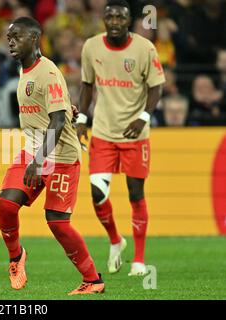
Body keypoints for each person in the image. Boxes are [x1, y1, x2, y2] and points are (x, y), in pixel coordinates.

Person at [0, 16, 104, 295]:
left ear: (34, 39)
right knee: (6, 205)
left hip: (61, 156)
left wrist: (38, 161)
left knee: (57, 222)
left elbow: (57, 121)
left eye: (17, 36)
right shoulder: (25, 69)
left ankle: (92, 280)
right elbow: (60, 109)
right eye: (9, 37)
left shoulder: (46, 72)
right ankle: (16, 257)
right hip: (35, 147)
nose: (11, 41)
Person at [75, 0, 165, 276]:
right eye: (110, 16)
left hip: (135, 136)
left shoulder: (144, 48)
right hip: (103, 132)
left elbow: (156, 87)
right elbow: (87, 85)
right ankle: (115, 240)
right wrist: (81, 119)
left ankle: (138, 260)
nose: (114, 21)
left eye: (120, 17)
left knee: (135, 194)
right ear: (103, 20)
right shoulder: (91, 47)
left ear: (129, 21)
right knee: (97, 194)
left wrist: (144, 117)